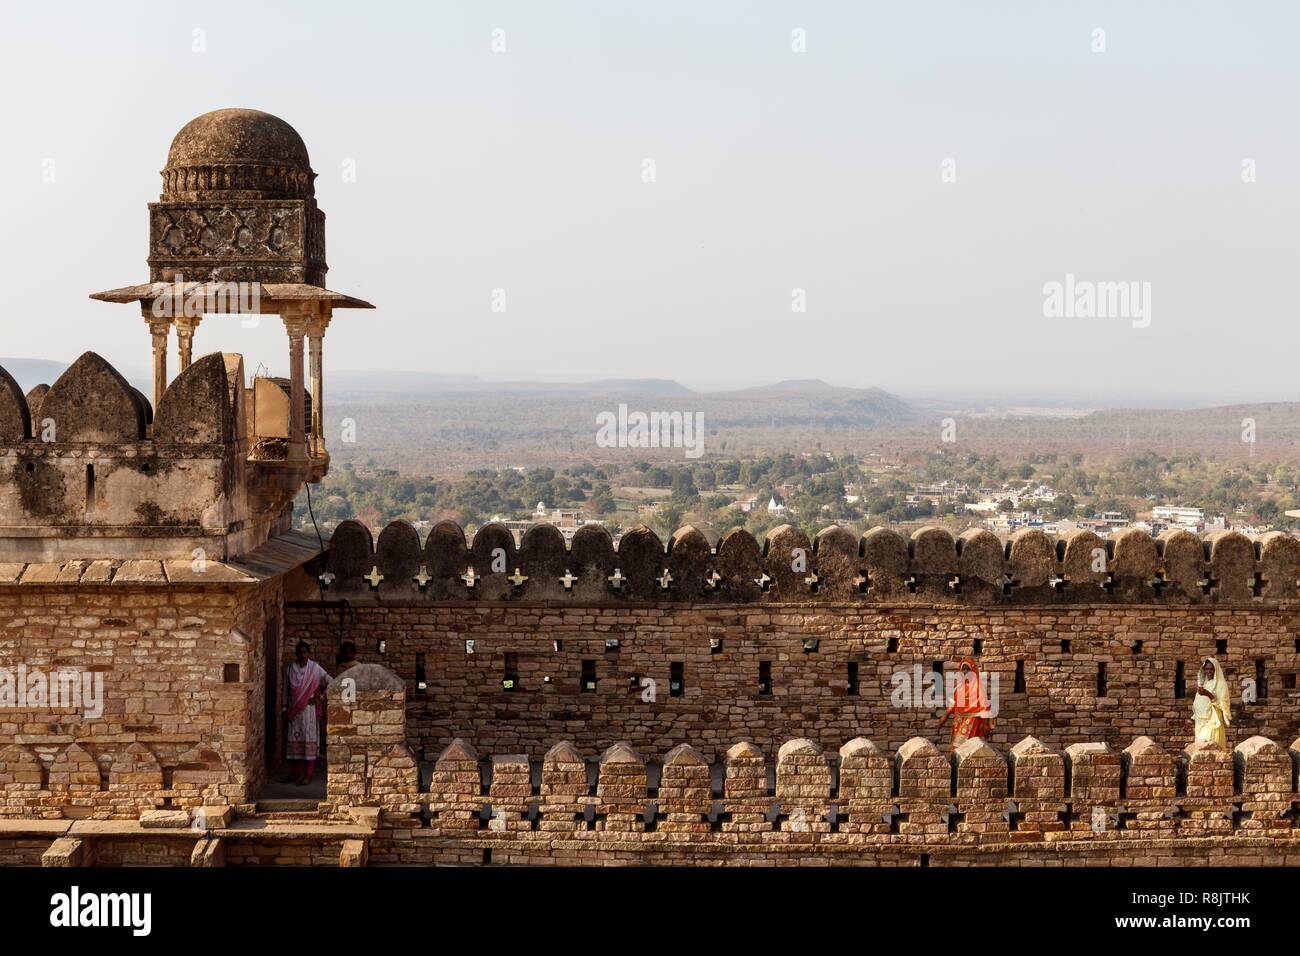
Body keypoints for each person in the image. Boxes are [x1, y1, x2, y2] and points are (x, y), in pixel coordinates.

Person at [282, 641, 332, 785]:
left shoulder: (315, 669)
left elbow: (330, 681)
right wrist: (284, 708)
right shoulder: (290, 669)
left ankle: (308, 775)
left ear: (308, 653)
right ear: (296, 654)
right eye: (300, 652)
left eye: (305, 652)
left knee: (308, 740)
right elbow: (285, 689)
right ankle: (295, 773)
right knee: (294, 741)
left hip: (309, 710)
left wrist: (320, 698)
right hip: (294, 709)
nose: (302, 655)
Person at [938, 658, 993, 751]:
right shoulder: (959, 686)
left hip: (972, 720)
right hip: (959, 720)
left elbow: (985, 706)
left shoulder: (978, 687)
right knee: (956, 748)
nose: (966, 672)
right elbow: (953, 703)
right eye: (963, 669)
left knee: (969, 748)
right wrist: (945, 715)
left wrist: (987, 724)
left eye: (968, 669)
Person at [1193, 656, 1232, 747]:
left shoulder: (1221, 685)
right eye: (1207, 669)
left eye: (1211, 669)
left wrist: (1208, 694)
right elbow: (1198, 705)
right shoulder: (1204, 684)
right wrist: (1191, 720)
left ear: (1215, 670)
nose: (1209, 671)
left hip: (1213, 722)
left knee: (1212, 748)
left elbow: (1223, 705)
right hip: (1201, 723)